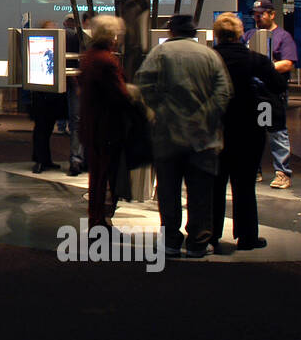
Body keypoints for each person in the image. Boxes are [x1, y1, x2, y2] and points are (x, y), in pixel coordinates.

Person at [135, 15, 232, 257]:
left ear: (171, 31)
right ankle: (199, 242)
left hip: (168, 136)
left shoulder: (160, 53)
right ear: (194, 32)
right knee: (201, 192)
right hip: (204, 138)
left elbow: (143, 83)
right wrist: (207, 115)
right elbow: (224, 92)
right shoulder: (211, 55)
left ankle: (170, 241)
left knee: (168, 191)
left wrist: (161, 109)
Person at [211, 13, 282, 251]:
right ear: (241, 34)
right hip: (250, 130)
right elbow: (278, 85)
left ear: (217, 35)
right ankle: (247, 236)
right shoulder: (256, 60)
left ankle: (210, 234)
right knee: (244, 186)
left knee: (215, 185)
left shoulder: (210, 59)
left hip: (217, 131)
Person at [77, 17, 136, 226]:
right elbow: (119, 94)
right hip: (106, 128)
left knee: (98, 177)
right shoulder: (106, 61)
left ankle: (97, 218)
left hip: (93, 126)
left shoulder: (90, 56)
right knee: (103, 177)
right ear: (112, 35)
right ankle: (99, 220)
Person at [244, 0, 297, 188]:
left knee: (275, 131)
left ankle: (282, 172)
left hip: (271, 93)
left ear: (272, 14)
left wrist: (265, 68)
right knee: (251, 132)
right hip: (252, 93)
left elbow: (288, 63)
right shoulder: (249, 35)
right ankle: (254, 170)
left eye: (262, 14)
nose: (258, 18)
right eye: (255, 15)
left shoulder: (283, 37)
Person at [28, 21, 68, 174]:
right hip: (41, 95)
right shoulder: (38, 49)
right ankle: (39, 160)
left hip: (54, 96)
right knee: (41, 129)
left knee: (47, 129)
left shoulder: (56, 49)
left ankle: (45, 159)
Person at [62, 16, 86, 175]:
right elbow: (68, 63)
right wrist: (75, 84)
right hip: (77, 87)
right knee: (77, 122)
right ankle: (76, 159)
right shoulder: (72, 37)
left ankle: (82, 158)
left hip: (85, 88)